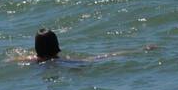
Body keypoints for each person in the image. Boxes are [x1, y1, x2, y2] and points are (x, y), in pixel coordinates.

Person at [16, 27, 156, 64]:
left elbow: (11, 60)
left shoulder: (30, 60)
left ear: (36, 47)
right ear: (57, 45)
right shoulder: (63, 61)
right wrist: (139, 50)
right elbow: (99, 58)